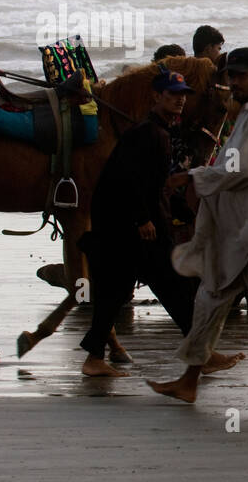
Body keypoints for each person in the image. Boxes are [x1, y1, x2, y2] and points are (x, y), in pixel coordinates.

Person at [147, 47, 248, 404]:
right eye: (230, 76)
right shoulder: (246, 116)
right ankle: (188, 381)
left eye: (241, 76)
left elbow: (242, 170)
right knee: (208, 303)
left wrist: (192, 177)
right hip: (232, 233)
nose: (233, 82)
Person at [78, 68, 202, 377]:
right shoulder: (149, 133)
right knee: (174, 286)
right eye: (172, 95)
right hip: (132, 228)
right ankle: (201, 352)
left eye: (183, 95)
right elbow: (129, 181)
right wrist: (144, 219)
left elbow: (154, 184)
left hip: (128, 227)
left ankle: (94, 359)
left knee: (115, 291)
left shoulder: (157, 132)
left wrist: (180, 210)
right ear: (157, 96)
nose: (179, 100)